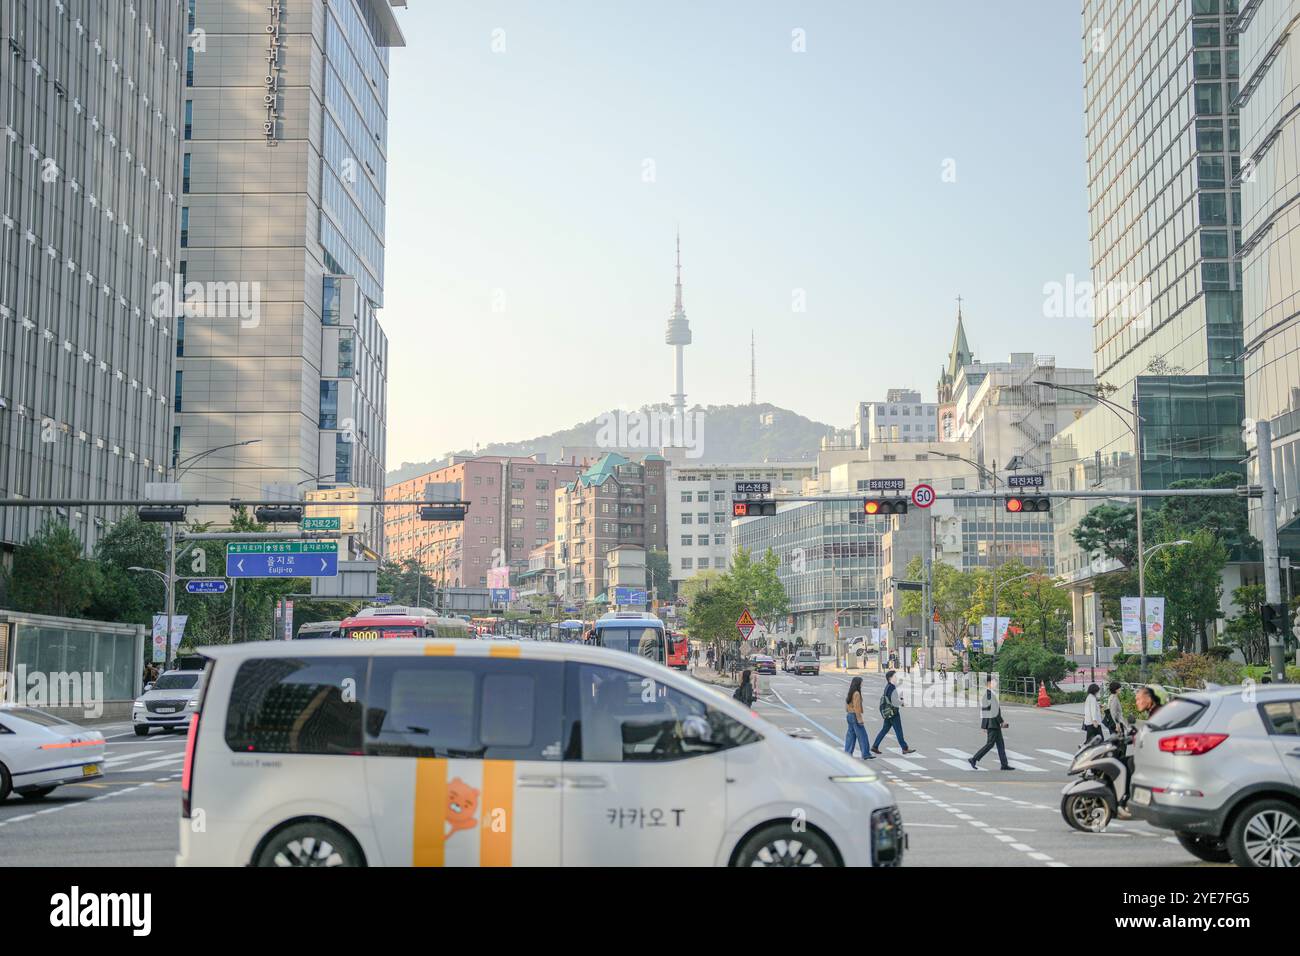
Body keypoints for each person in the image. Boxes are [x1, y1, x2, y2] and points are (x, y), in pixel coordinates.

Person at [969, 675, 1016, 770]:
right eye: (994, 682)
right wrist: (1001, 722)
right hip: (993, 724)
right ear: (989, 683)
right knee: (990, 744)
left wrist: (984, 725)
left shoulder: (989, 694)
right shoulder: (989, 695)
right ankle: (974, 759)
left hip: (993, 724)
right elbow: (993, 711)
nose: (996, 684)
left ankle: (1004, 764)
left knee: (1000, 744)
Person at [871, 670, 916, 755]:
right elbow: (893, 700)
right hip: (893, 713)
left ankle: (875, 746)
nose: (896, 678)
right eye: (895, 676)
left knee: (884, 730)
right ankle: (905, 748)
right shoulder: (891, 687)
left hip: (889, 713)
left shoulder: (888, 686)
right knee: (899, 731)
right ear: (890, 678)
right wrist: (902, 703)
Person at [843, 676, 875, 759]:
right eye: (861, 682)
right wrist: (859, 719)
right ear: (858, 683)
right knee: (863, 736)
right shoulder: (856, 693)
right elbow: (857, 708)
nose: (862, 684)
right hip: (854, 716)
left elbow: (847, 706)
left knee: (851, 736)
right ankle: (866, 753)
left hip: (849, 715)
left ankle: (847, 753)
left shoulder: (850, 692)